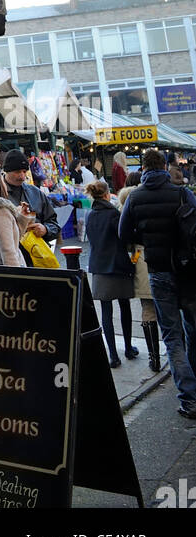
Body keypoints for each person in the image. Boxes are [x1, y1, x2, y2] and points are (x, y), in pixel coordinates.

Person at [119, 147, 196, 419]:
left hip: (159, 270)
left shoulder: (135, 197)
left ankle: (189, 399)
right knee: (192, 329)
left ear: (142, 169)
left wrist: (147, 236)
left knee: (173, 336)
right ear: (164, 167)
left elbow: (123, 232)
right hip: (188, 271)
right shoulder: (182, 193)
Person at [84, 180, 137, 367]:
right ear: (107, 195)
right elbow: (125, 237)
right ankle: (129, 348)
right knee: (125, 307)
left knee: (106, 312)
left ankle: (113, 355)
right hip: (118, 266)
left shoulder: (90, 215)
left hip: (99, 267)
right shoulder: (114, 215)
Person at [119, 171, 161, 372]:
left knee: (148, 308)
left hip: (141, 258)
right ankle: (176, 355)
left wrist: (132, 258)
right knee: (170, 311)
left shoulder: (128, 203)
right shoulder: (166, 196)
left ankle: (154, 359)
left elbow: (124, 235)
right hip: (166, 260)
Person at [0, 149, 61, 265]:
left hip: (37, 256)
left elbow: (54, 224)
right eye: (17, 172)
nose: (22, 176)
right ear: (7, 171)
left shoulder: (36, 193)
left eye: (24, 171)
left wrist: (46, 229)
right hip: (10, 259)